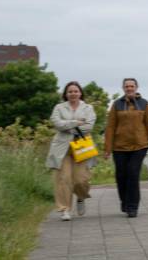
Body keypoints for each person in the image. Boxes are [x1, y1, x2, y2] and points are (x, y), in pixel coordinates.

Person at [102, 77, 148, 218]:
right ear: (123, 88)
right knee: (121, 176)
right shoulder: (117, 105)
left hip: (139, 146)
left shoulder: (144, 104)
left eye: (132, 86)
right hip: (119, 147)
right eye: (127, 86)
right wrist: (108, 148)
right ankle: (124, 202)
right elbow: (110, 127)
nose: (129, 88)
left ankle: (133, 207)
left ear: (136, 87)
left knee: (133, 174)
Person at [46, 81, 97, 221]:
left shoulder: (88, 108)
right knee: (64, 178)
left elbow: (88, 127)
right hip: (63, 149)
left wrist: (67, 125)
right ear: (66, 94)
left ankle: (81, 197)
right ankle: (65, 209)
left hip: (81, 147)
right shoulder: (59, 107)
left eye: (75, 91)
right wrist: (76, 122)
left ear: (80, 93)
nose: (73, 93)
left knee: (81, 180)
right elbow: (56, 123)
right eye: (70, 91)